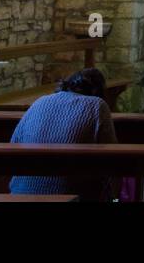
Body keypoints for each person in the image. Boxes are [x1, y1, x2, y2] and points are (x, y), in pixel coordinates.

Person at [9, 67, 118, 201]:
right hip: (71, 197)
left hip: (21, 194)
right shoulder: (97, 105)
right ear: (99, 90)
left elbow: (14, 143)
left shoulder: (40, 101)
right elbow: (112, 159)